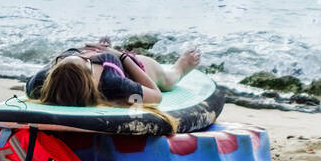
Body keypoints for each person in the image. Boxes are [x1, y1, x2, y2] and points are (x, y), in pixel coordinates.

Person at [26, 38, 201, 108]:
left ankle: (180, 65)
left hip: (110, 58)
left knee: (167, 79)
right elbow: (156, 94)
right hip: (126, 65)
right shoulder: (113, 84)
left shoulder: (37, 84)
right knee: (167, 81)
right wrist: (123, 56)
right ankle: (181, 67)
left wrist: (82, 52)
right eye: (86, 59)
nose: (86, 57)